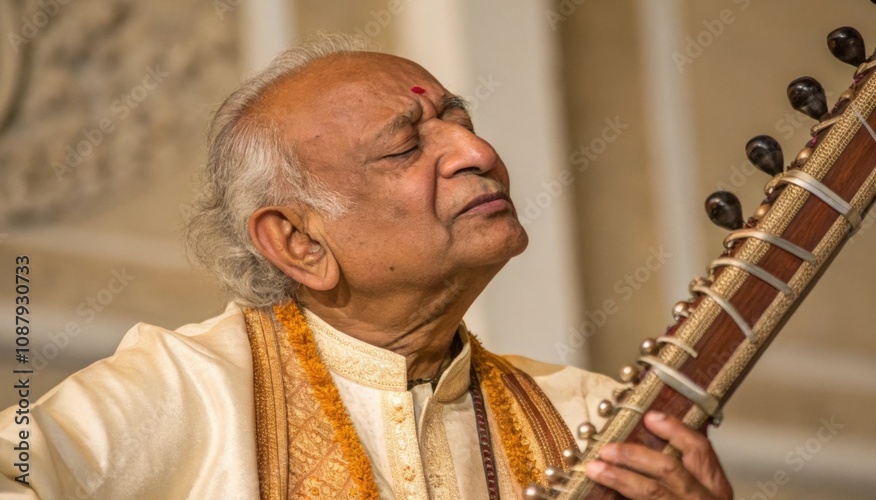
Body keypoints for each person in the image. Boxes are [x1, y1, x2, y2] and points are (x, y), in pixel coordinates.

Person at [0, 34, 732, 499]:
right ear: (298, 243)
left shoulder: (592, 420)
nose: (476, 154)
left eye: (461, 122)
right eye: (406, 147)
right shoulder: (192, 388)